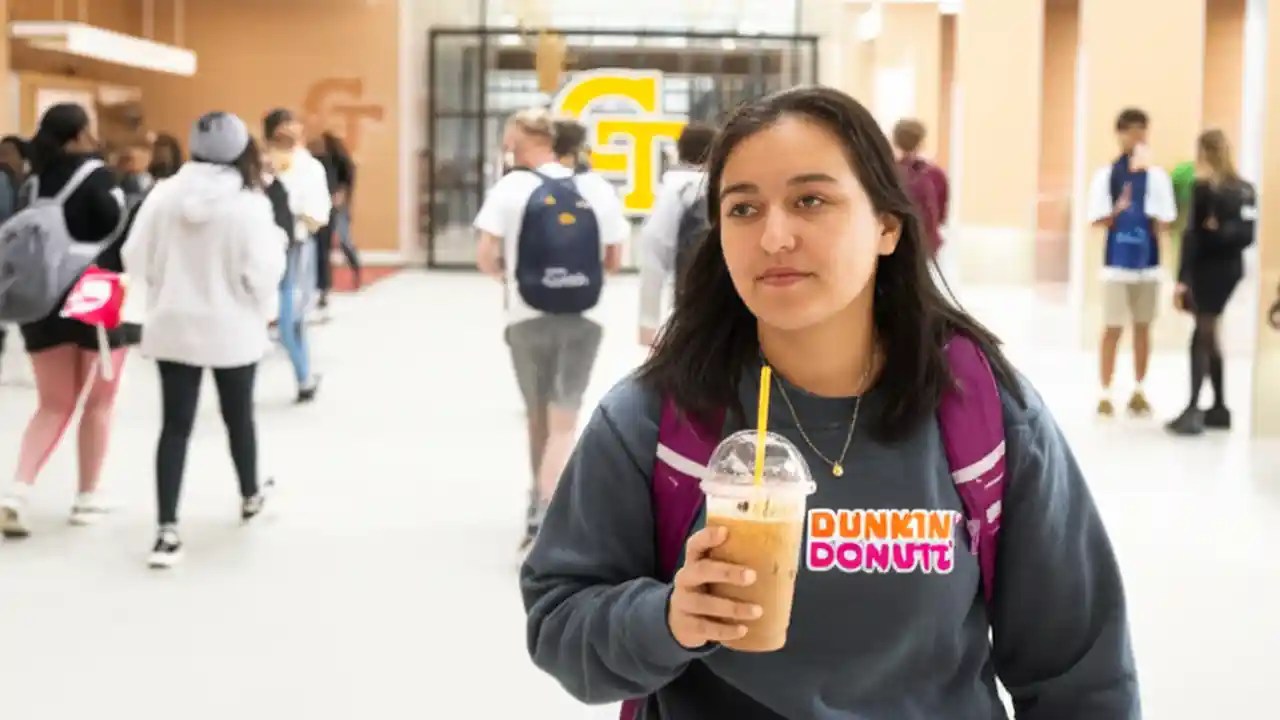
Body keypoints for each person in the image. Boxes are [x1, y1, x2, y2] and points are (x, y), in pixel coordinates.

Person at [520, 87, 1139, 718]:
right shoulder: (660, 416)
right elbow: (559, 618)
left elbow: (1080, 670)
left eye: (810, 200)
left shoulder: (983, 414)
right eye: (743, 209)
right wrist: (666, 618)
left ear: (887, 227)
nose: (775, 236)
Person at [122, 112, 287, 568]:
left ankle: (167, 530)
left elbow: (134, 256)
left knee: (175, 425)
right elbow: (264, 270)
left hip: (173, 321)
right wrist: (261, 306)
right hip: (232, 326)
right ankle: (251, 495)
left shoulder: (163, 195)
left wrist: (164, 285)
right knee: (239, 417)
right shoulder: (250, 202)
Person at [474, 108, 627, 552]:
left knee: (537, 417)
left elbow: (486, 255)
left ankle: (537, 504)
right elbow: (614, 259)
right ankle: (548, 505)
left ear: (523, 139)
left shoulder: (510, 188)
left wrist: (514, 279)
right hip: (584, 318)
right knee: (565, 420)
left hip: (525, 317)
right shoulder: (595, 187)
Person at [0, 103, 130, 538]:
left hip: (40, 298)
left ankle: (17, 490)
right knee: (100, 399)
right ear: (79, 134)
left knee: (53, 403)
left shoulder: (31, 182)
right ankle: (87, 496)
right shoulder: (97, 176)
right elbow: (117, 227)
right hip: (96, 287)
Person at [1087, 108, 1176, 417]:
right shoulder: (1107, 175)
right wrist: (1119, 208)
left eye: (1142, 132)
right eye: (1131, 132)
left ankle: (1139, 389)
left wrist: (1153, 216)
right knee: (1112, 327)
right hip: (1116, 263)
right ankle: (1105, 390)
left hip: (1148, 264)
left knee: (1143, 327)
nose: (1137, 138)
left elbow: (1167, 220)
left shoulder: (1157, 177)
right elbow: (1096, 218)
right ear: (1120, 134)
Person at [1166, 129, 1256, 435]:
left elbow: (1192, 237)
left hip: (1207, 271)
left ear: (1204, 153)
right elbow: (1246, 235)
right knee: (1209, 332)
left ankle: (1192, 409)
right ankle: (1219, 407)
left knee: (1201, 336)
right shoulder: (1245, 189)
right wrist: (1222, 232)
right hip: (1231, 269)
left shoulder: (1203, 189)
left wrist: (1181, 279)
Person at [263, 108, 329, 402]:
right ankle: (304, 376)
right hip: (268, 244)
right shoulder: (262, 166)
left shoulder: (309, 166)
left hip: (297, 245)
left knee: (295, 316)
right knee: (288, 317)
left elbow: (318, 210)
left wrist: (299, 216)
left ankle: (304, 376)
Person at [638, 122, 717, 346]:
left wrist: (648, 322)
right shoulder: (725, 187)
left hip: (689, 303)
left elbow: (654, 250)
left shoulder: (676, 190)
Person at [309, 131, 362, 301]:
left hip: (337, 206)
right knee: (325, 246)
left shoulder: (338, 161)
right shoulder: (317, 160)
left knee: (344, 239)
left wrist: (342, 193)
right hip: (325, 206)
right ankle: (324, 286)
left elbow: (347, 178)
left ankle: (355, 269)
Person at [891, 118, 949, 259]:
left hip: (895, 245)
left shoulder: (888, 172)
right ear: (922, 142)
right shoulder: (935, 174)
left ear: (895, 141)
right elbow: (941, 213)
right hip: (926, 245)